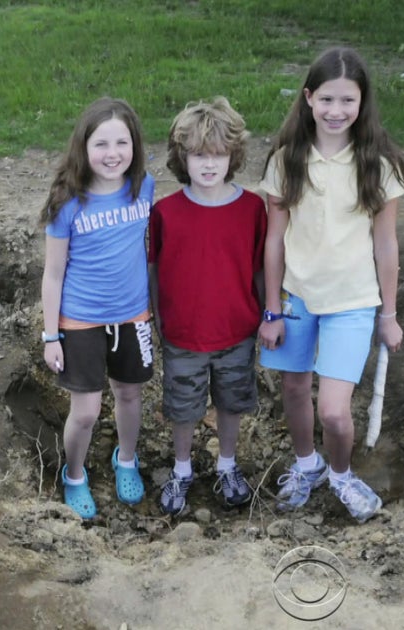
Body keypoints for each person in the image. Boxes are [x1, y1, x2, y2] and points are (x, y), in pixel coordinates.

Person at [258, 47, 404, 523]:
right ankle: (307, 464)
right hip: (297, 298)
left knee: (332, 411)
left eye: (348, 100)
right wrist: (271, 309)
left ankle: (342, 474)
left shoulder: (378, 164)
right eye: (327, 99)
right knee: (293, 388)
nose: (336, 110)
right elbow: (274, 240)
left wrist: (388, 314)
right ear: (309, 98)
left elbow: (385, 244)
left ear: (362, 103)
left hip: (352, 301)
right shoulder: (287, 161)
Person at [147, 97, 267, 516]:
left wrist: (266, 314)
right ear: (183, 157)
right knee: (183, 407)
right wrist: (158, 320)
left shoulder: (252, 209)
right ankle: (181, 469)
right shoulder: (165, 212)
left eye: (218, 154)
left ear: (234, 156)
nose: (209, 164)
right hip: (184, 334)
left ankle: (227, 465)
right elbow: (154, 269)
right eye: (199, 155)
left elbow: (259, 268)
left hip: (236, 330)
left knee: (231, 402)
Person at [39, 97, 156, 520]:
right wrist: (51, 335)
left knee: (129, 393)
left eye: (121, 143)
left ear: (135, 145)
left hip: (132, 315)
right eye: (101, 144)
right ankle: (74, 475)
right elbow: (53, 274)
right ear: (83, 147)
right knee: (86, 412)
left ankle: (126, 460)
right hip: (80, 320)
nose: (112, 154)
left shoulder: (144, 187)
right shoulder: (68, 202)